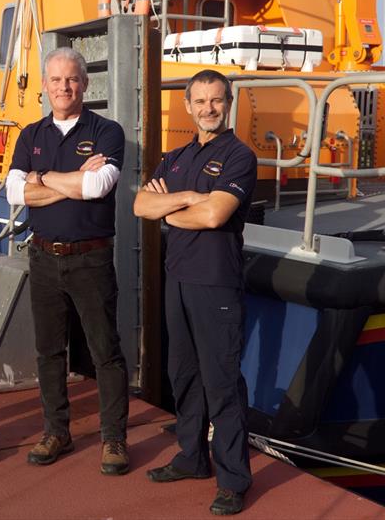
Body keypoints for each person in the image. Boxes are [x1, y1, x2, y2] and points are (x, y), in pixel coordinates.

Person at [133, 69, 256, 515]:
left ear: (229, 102)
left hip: (216, 282)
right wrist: (189, 199)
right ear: (188, 106)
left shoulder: (239, 156)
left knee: (221, 383)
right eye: (200, 101)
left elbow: (214, 217)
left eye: (216, 100)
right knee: (183, 375)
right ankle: (191, 457)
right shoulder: (177, 156)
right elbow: (140, 205)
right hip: (178, 279)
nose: (208, 108)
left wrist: (171, 211)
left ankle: (232, 479)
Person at [5, 47, 130, 475]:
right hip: (43, 255)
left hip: (91, 257)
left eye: (72, 79)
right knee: (48, 351)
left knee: (105, 351)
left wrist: (42, 178)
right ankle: (56, 430)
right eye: (56, 80)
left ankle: (114, 438)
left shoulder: (109, 131)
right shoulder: (32, 135)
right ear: (45, 85)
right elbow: (14, 192)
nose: (64, 87)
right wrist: (72, 180)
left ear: (85, 84)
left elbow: (98, 187)